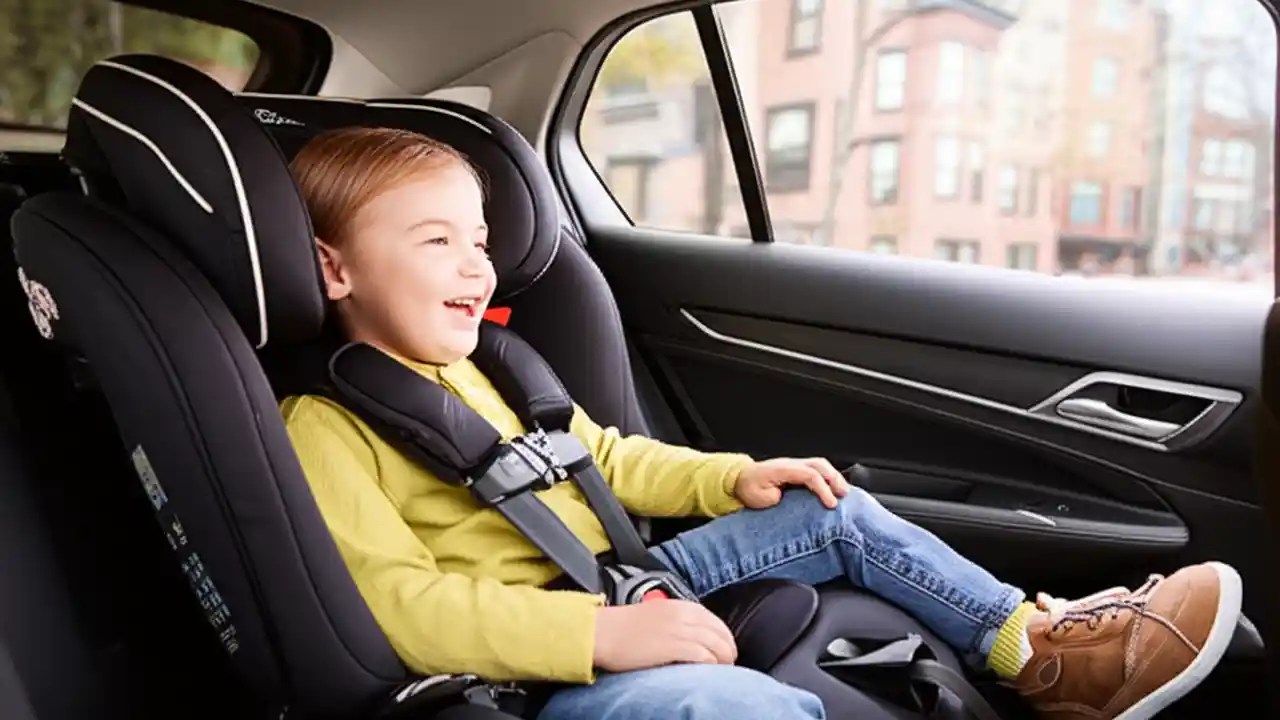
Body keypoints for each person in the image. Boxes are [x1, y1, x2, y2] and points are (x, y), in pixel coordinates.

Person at [281, 126, 1242, 720]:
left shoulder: (490, 365)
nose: (476, 267)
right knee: (721, 705)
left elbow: (602, 458)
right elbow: (397, 606)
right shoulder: (325, 424)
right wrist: (599, 639)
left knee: (833, 509)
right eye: (437, 242)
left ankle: (1038, 654)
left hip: (628, 582)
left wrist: (728, 478)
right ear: (335, 270)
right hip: (539, 669)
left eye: (481, 241)